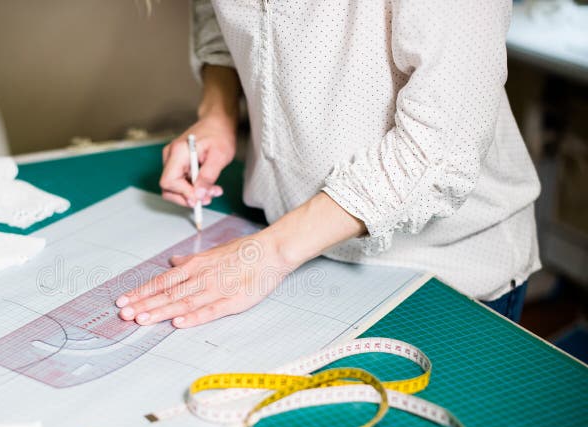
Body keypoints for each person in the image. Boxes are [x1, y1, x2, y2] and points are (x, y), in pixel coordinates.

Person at [115, 0, 540, 328]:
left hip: (444, 269)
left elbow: (442, 148)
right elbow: (218, 13)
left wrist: (270, 252)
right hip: (289, 242)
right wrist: (218, 112)